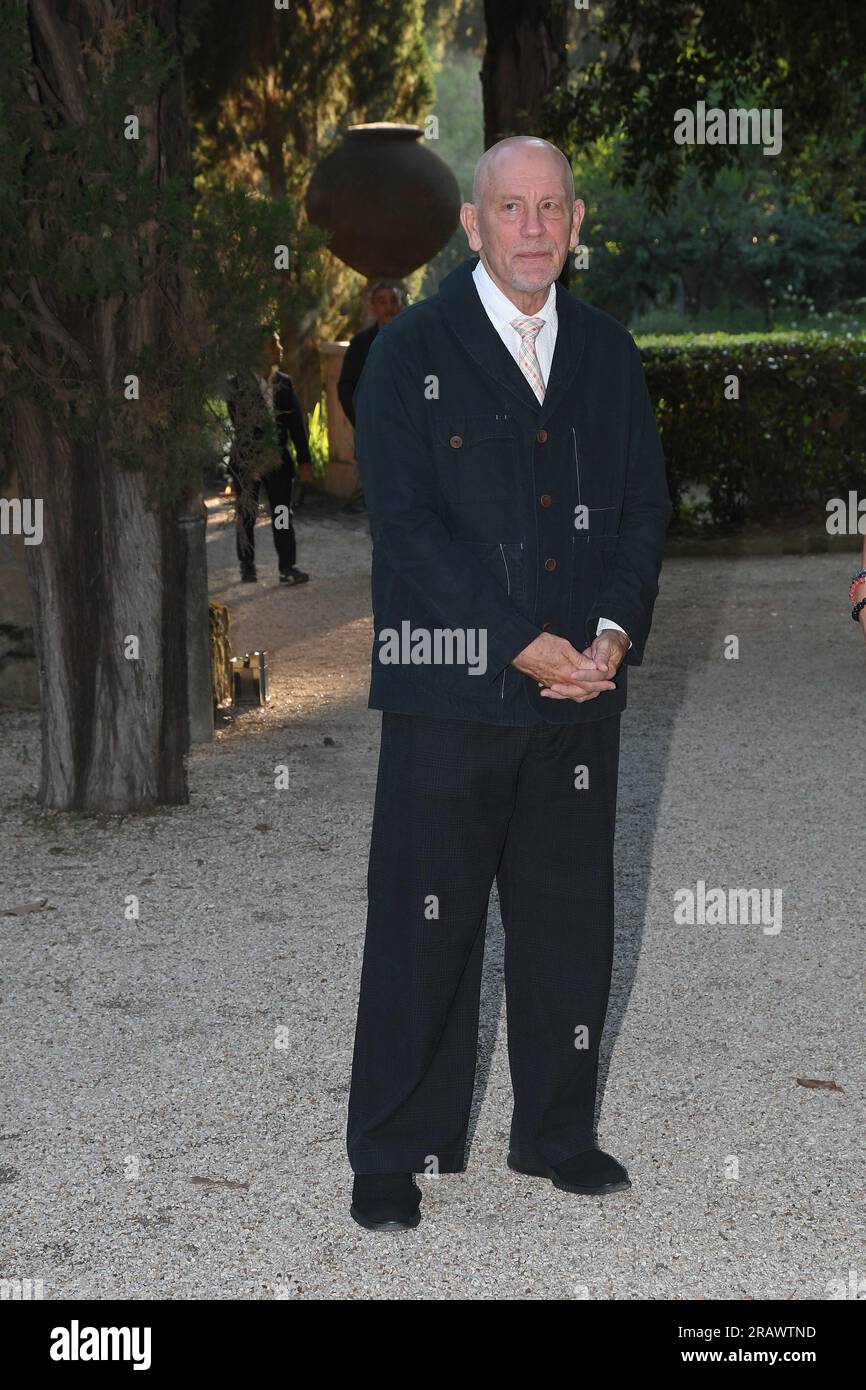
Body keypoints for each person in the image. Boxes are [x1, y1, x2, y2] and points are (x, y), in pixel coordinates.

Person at [346, 136, 672, 1230]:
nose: (532, 227)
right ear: (472, 226)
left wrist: (613, 635)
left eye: (550, 208)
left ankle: (555, 1133)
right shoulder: (409, 352)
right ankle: (395, 1149)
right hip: (448, 691)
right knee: (421, 927)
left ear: (575, 223)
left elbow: (638, 510)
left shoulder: (610, 354)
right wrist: (516, 640)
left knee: (568, 923)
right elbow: (406, 531)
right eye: (509, 208)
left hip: (580, 695)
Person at [226, 330, 312, 585]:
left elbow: (296, 423)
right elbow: (241, 423)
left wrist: (305, 460)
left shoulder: (284, 382)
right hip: (247, 462)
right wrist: (263, 451)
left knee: (283, 513)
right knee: (247, 514)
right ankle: (247, 564)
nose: (279, 348)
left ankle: (287, 565)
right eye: (273, 344)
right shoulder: (237, 384)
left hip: (279, 464)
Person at [337, 284, 405, 514]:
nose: (389, 307)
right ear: (373, 307)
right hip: (373, 437)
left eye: (393, 301)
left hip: (411, 438)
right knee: (379, 506)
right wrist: (363, 421)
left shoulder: (415, 339)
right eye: (382, 302)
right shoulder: (360, 344)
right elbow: (345, 387)